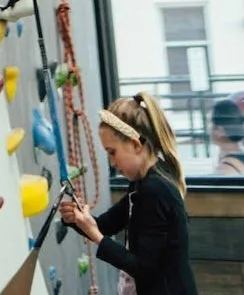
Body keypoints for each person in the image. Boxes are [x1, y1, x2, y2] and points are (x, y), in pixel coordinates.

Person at [59, 96, 199, 295]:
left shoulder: (155, 190)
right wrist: (77, 219)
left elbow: (142, 267)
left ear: (136, 145)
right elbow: (106, 225)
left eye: (112, 152)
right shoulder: (141, 184)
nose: (112, 162)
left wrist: (96, 235)